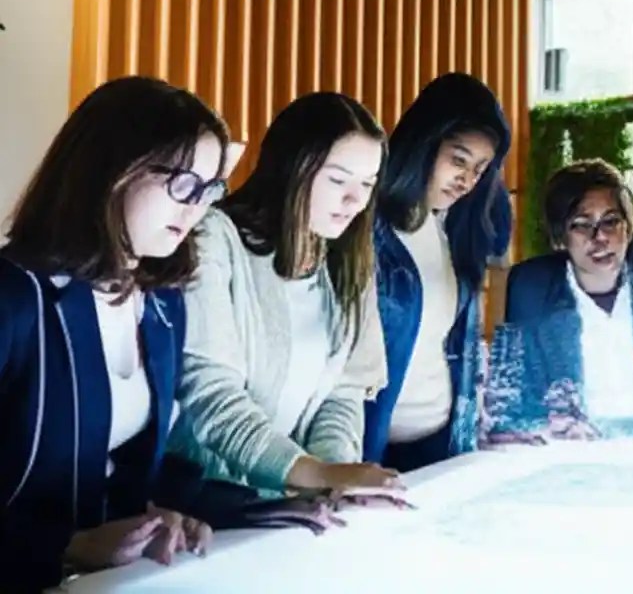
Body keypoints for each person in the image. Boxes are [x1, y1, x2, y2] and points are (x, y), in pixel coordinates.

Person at [0, 77, 227, 591]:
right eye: (183, 182)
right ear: (112, 171)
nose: (196, 207)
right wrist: (65, 547)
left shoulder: (163, 304)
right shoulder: (15, 298)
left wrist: (162, 518)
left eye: (210, 188)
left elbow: (129, 472)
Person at [170, 92, 399, 496]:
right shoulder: (215, 239)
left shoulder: (346, 259)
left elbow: (341, 394)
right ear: (293, 168)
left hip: (287, 504)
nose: (355, 200)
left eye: (367, 183)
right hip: (202, 499)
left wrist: (334, 477)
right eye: (337, 179)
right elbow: (211, 394)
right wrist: (317, 475)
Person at [485, 159, 633, 441]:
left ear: (629, 226)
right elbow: (508, 399)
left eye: (611, 221)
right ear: (559, 237)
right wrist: (550, 427)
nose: (600, 237)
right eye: (581, 225)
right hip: (576, 449)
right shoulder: (532, 290)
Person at [364, 72, 514, 472]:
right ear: (424, 144)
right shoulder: (364, 224)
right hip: (369, 449)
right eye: (458, 160)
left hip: (443, 442)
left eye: (481, 168)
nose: (467, 180)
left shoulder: (451, 227)